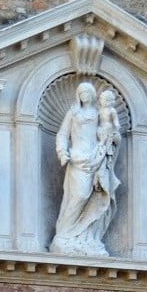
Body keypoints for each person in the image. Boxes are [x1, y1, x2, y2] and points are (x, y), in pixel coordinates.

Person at [50, 81, 120, 256]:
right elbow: (63, 134)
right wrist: (62, 152)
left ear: (92, 94)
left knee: (95, 195)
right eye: (81, 92)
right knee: (79, 195)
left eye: (87, 92)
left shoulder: (99, 113)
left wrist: (112, 138)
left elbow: (109, 130)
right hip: (77, 158)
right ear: (78, 96)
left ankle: (86, 236)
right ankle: (65, 234)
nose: (84, 95)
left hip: (95, 156)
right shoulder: (73, 113)